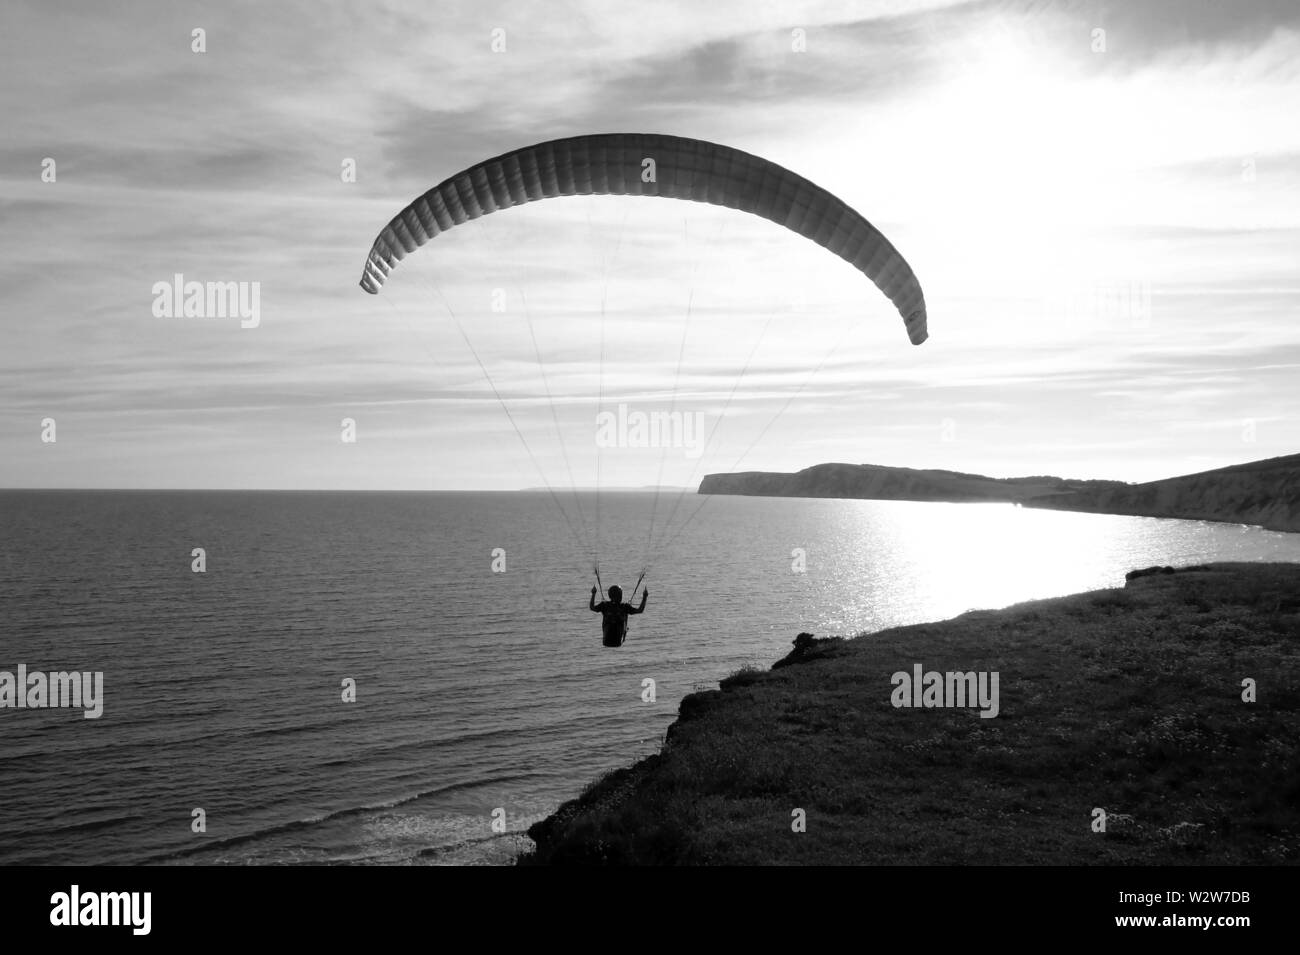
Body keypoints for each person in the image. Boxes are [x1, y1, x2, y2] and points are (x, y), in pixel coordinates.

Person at [589, 584, 648, 648]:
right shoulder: (625, 607)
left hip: (606, 642)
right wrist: (645, 597)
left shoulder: (604, 605)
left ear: (610, 595)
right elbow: (640, 610)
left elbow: (592, 607)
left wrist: (593, 593)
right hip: (617, 642)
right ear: (620, 595)